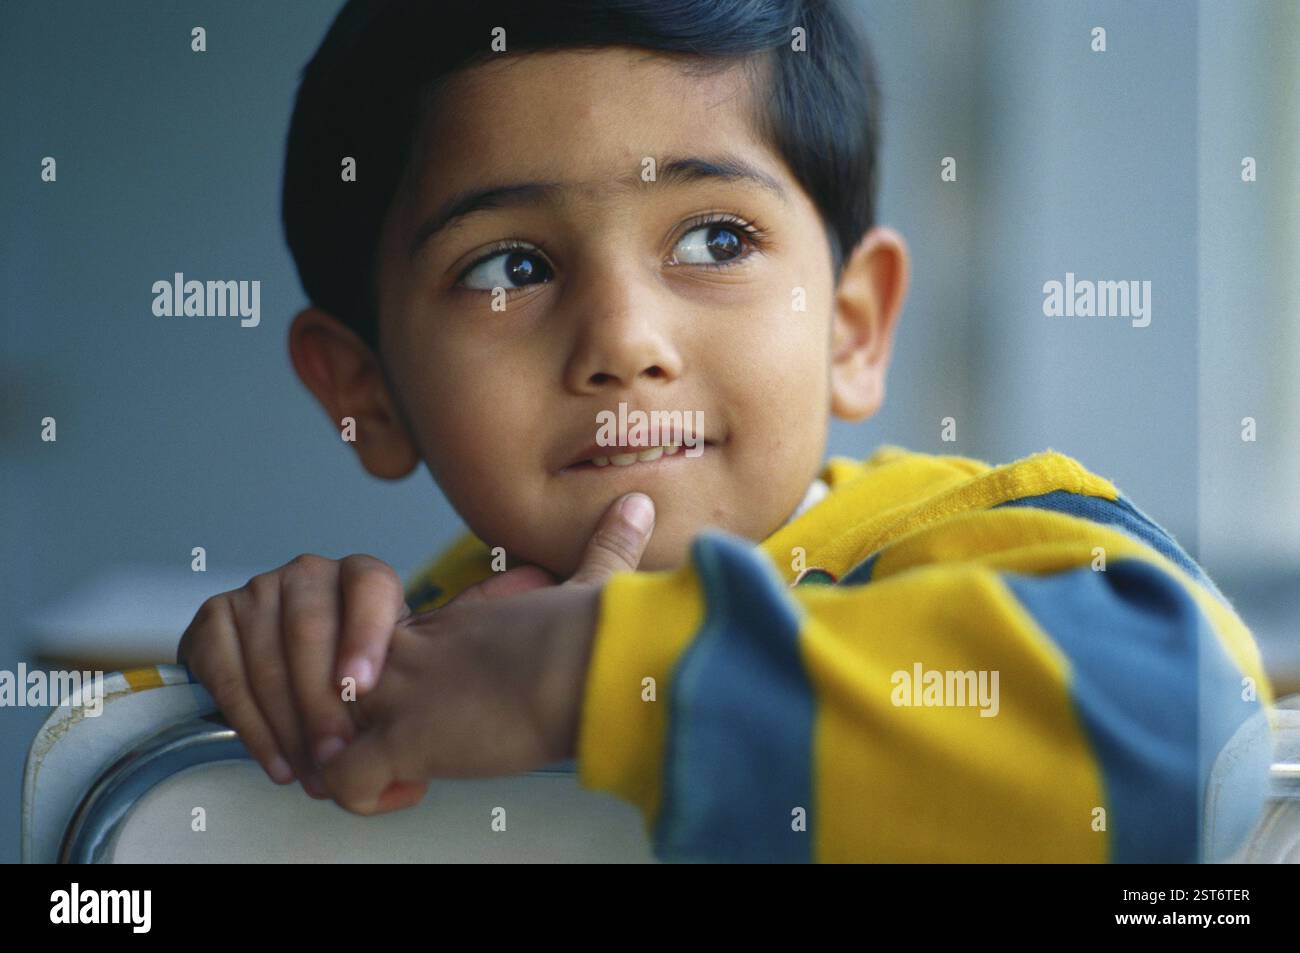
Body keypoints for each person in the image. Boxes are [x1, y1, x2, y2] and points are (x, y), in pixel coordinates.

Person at [178, 0, 1273, 862]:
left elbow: (1196, 734)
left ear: (853, 325)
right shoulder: (433, 655)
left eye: (712, 239)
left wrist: (592, 674)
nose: (624, 338)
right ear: (363, 390)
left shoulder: (1003, 550)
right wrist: (279, 667)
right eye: (510, 267)